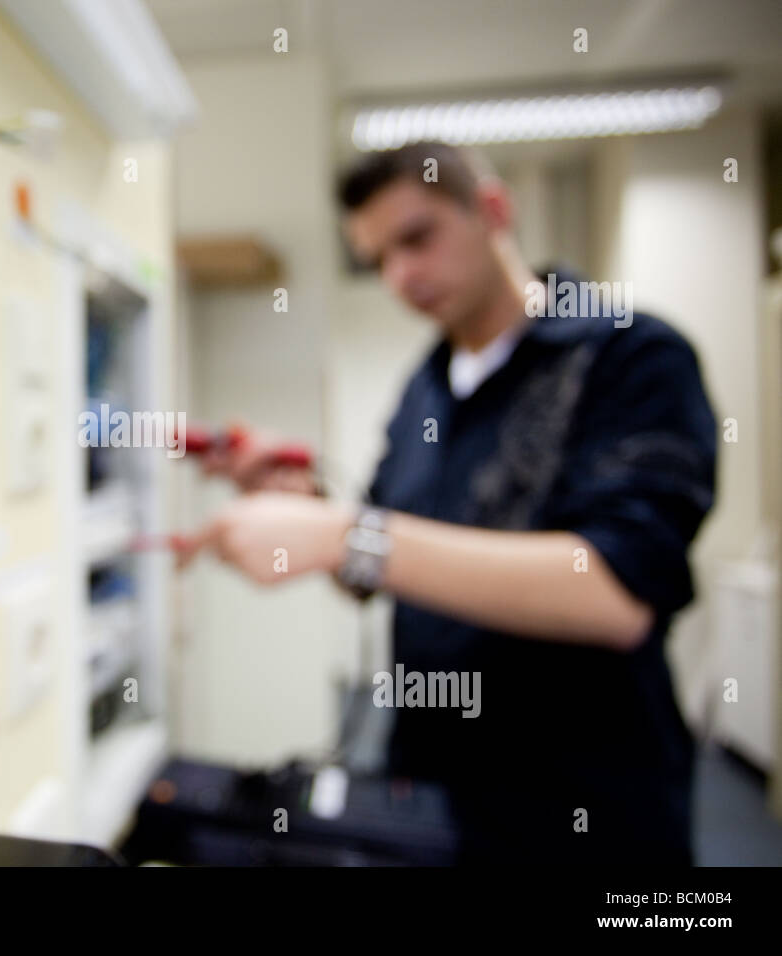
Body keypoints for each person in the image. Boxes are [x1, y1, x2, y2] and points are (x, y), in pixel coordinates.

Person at [179, 141, 717, 864]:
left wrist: (343, 533)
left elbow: (615, 594)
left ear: (492, 209)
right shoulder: (424, 388)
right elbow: (374, 566)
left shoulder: (630, 356)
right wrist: (302, 503)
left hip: (585, 805)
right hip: (433, 790)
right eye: (379, 260)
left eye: (417, 238)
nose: (401, 276)